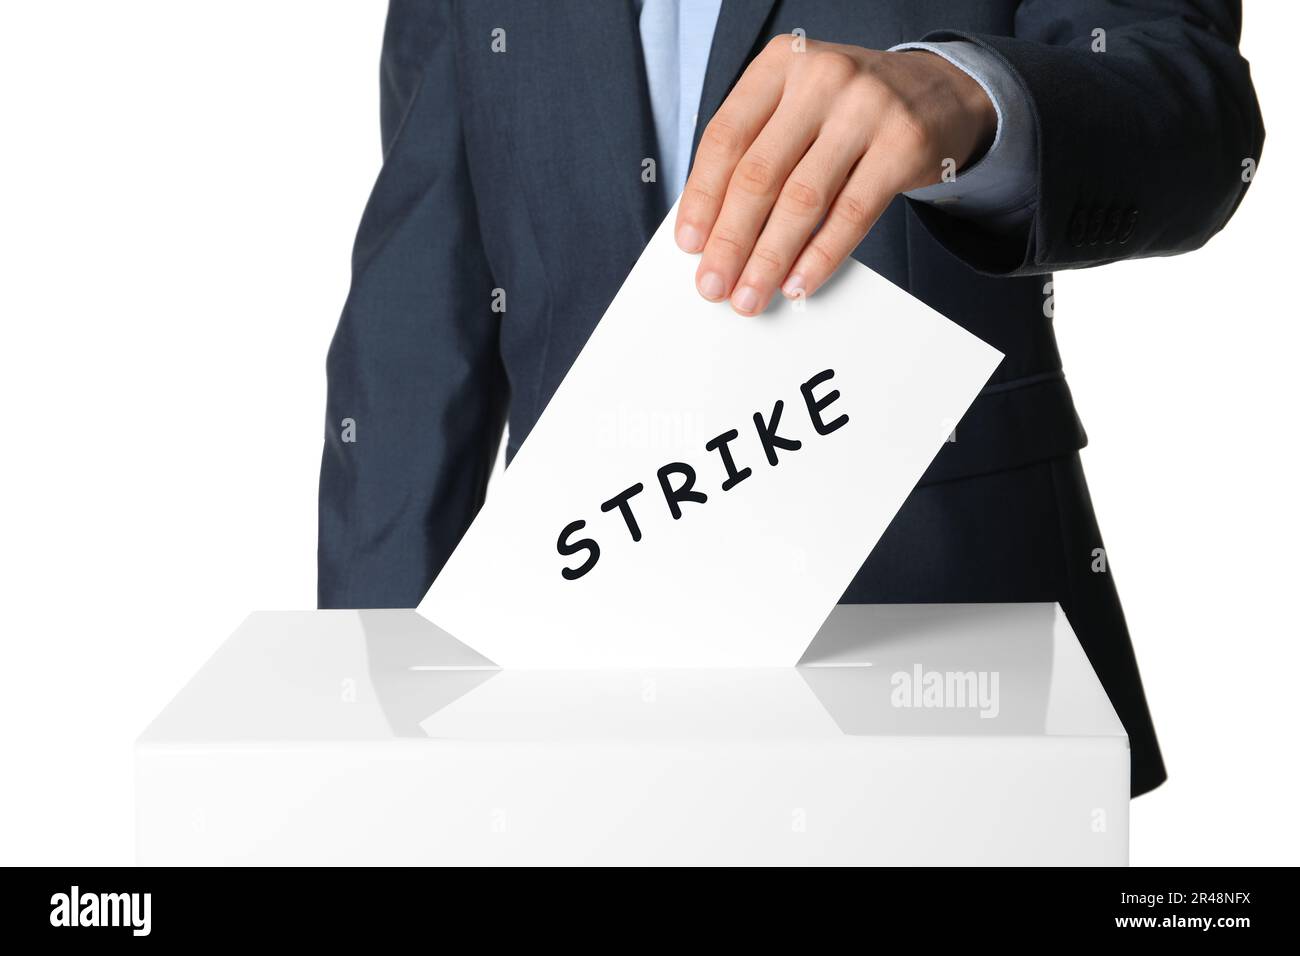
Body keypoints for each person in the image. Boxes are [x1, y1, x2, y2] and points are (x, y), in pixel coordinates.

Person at [318, 0, 1266, 797]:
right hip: (575, 671)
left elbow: (1191, 104)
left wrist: (971, 97)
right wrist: (375, 726)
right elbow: (415, 311)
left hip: (951, 662)